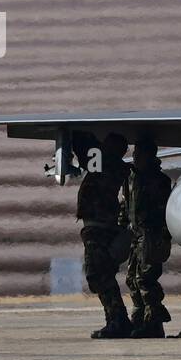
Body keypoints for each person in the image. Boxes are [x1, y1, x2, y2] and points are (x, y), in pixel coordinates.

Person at [75, 132, 131, 339]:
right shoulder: (113, 166)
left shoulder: (106, 165)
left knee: (99, 275)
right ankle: (117, 320)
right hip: (98, 228)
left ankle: (117, 321)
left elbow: (84, 152)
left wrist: (80, 130)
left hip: (100, 230)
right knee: (100, 275)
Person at [124, 136, 173, 338]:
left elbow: (163, 212)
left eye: (139, 154)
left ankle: (153, 321)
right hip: (136, 236)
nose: (135, 157)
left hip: (152, 236)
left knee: (145, 279)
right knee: (132, 279)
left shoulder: (159, 181)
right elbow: (126, 205)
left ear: (149, 155)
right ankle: (139, 318)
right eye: (135, 154)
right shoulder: (131, 178)